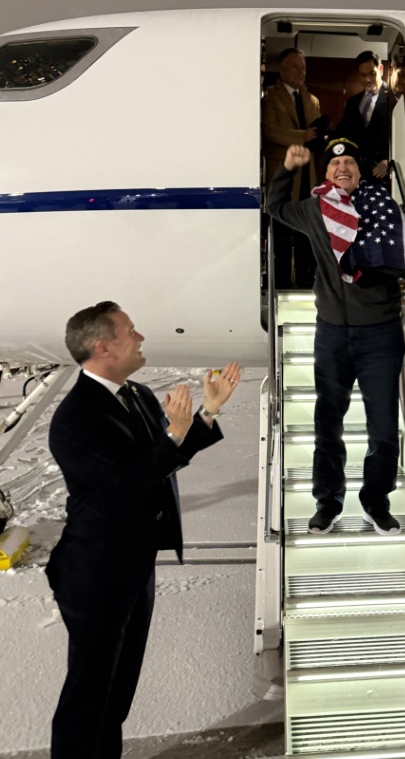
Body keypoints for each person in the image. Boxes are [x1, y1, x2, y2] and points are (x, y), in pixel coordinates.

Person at [46, 301, 241, 759]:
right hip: (94, 573)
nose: (141, 338)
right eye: (131, 331)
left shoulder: (137, 395)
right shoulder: (75, 419)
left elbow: (159, 461)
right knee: (88, 696)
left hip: (134, 566)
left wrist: (206, 414)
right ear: (104, 346)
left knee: (116, 696)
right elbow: (120, 486)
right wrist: (172, 436)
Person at [267, 137, 405, 536]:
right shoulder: (317, 209)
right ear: (325, 174)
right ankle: (327, 503)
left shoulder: (381, 209)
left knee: (382, 428)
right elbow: (274, 207)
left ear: (360, 173)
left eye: (349, 162)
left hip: (379, 335)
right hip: (331, 334)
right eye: (334, 164)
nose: (341, 168)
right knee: (327, 425)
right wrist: (287, 168)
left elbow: (398, 261)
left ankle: (376, 502)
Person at [262, 47, 321, 288]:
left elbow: (315, 134)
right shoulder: (270, 97)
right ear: (283, 69)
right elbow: (269, 131)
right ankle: (281, 286)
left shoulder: (312, 99)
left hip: (309, 174)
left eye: (304, 67)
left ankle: (308, 285)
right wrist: (303, 136)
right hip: (283, 174)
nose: (302, 72)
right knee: (283, 235)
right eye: (296, 66)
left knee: (309, 232)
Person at [336, 50, 391, 183]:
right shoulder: (353, 102)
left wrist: (390, 161)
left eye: (372, 73)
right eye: (363, 75)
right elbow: (343, 133)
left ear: (381, 69)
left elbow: (404, 138)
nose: (368, 80)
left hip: (383, 177)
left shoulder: (394, 100)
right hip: (356, 176)